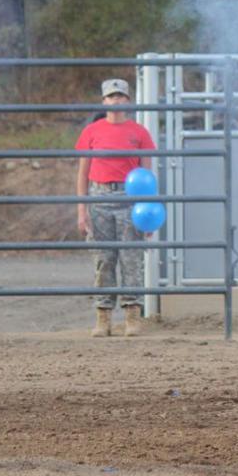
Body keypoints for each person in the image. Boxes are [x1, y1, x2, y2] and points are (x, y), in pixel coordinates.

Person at [74, 78, 157, 338]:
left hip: (130, 195)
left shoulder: (139, 132)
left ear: (128, 100)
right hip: (99, 196)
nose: (116, 100)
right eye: (111, 96)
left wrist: (148, 211)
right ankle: (103, 316)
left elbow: (147, 172)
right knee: (103, 259)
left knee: (131, 258)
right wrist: (82, 208)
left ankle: (132, 314)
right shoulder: (92, 131)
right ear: (104, 101)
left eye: (121, 96)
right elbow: (83, 172)